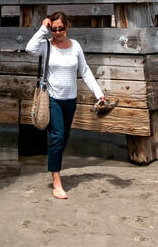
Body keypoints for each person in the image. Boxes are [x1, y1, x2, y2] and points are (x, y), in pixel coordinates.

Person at [25, 12, 116, 200]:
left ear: (67, 27)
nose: (58, 32)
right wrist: (43, 28)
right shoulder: (46, 46)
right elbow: (29, 48)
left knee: (65, 135)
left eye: (61, 28)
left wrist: (99, 94)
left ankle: (54, 163)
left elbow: (85, 70)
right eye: (54, 28)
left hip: (70, 100)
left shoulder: (76, 47)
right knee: (57, 136)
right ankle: (56, 181)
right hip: (52, 98)